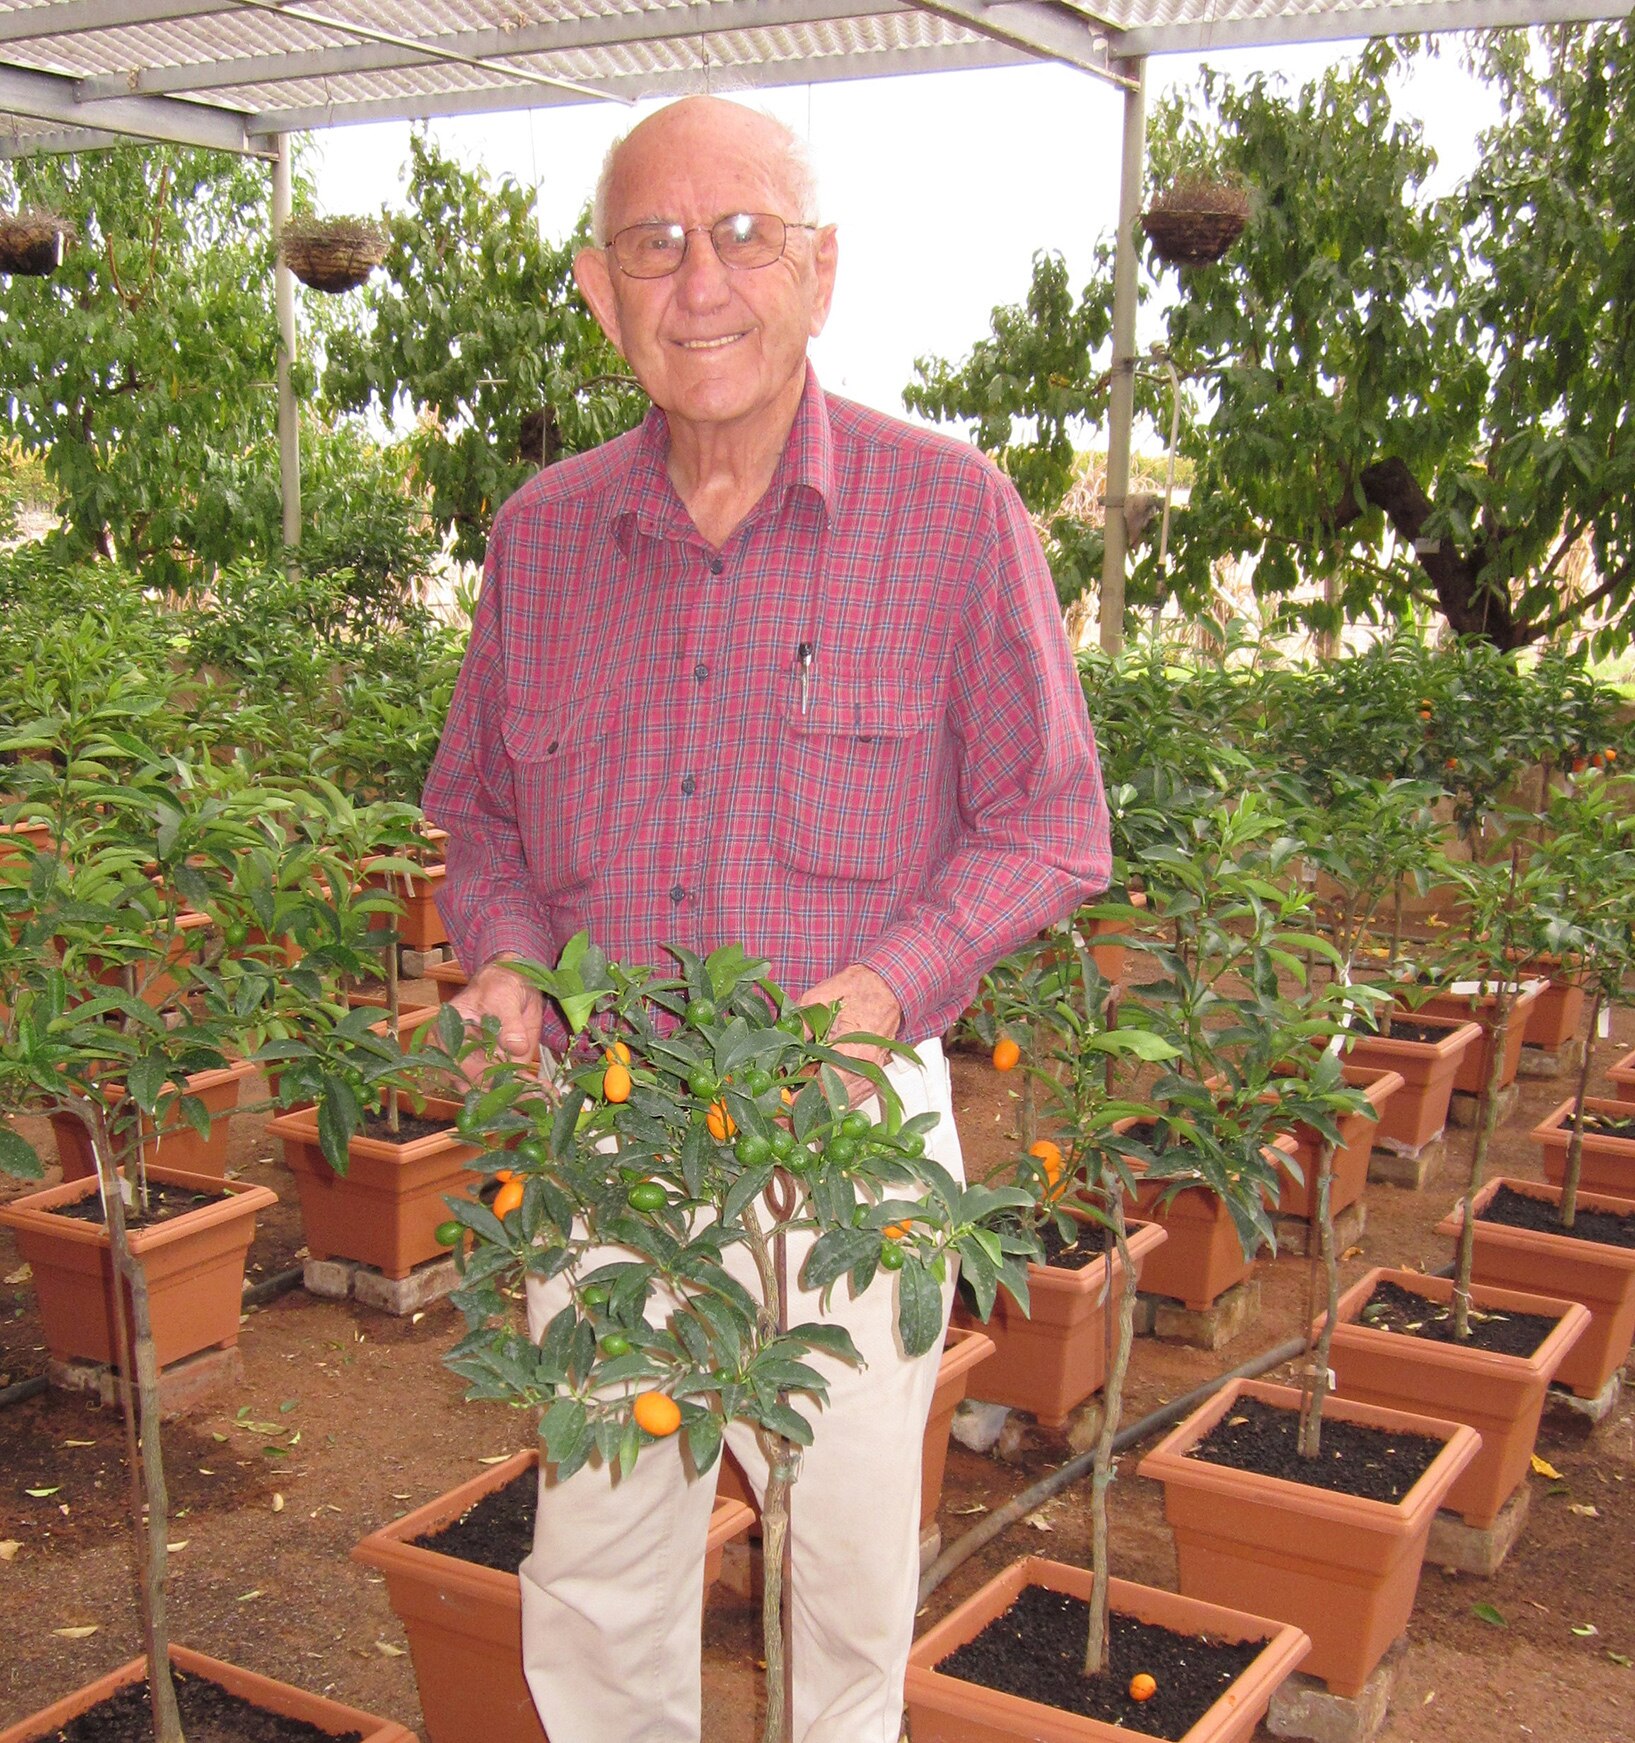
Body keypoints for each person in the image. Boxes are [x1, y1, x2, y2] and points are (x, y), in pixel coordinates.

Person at [421, 94, 1110, 1743]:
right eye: (654, 244)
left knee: (841, 1571)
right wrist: (508, 956)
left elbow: (1051, 823)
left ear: (821, 274)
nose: (700, 282)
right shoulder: (541, 538)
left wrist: (886, 984)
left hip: (849, 1142)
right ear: (599, 290)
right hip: (604, 1142)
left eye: (744, 238)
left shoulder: (950, 514)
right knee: (597, 1561)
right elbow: (478, 817)